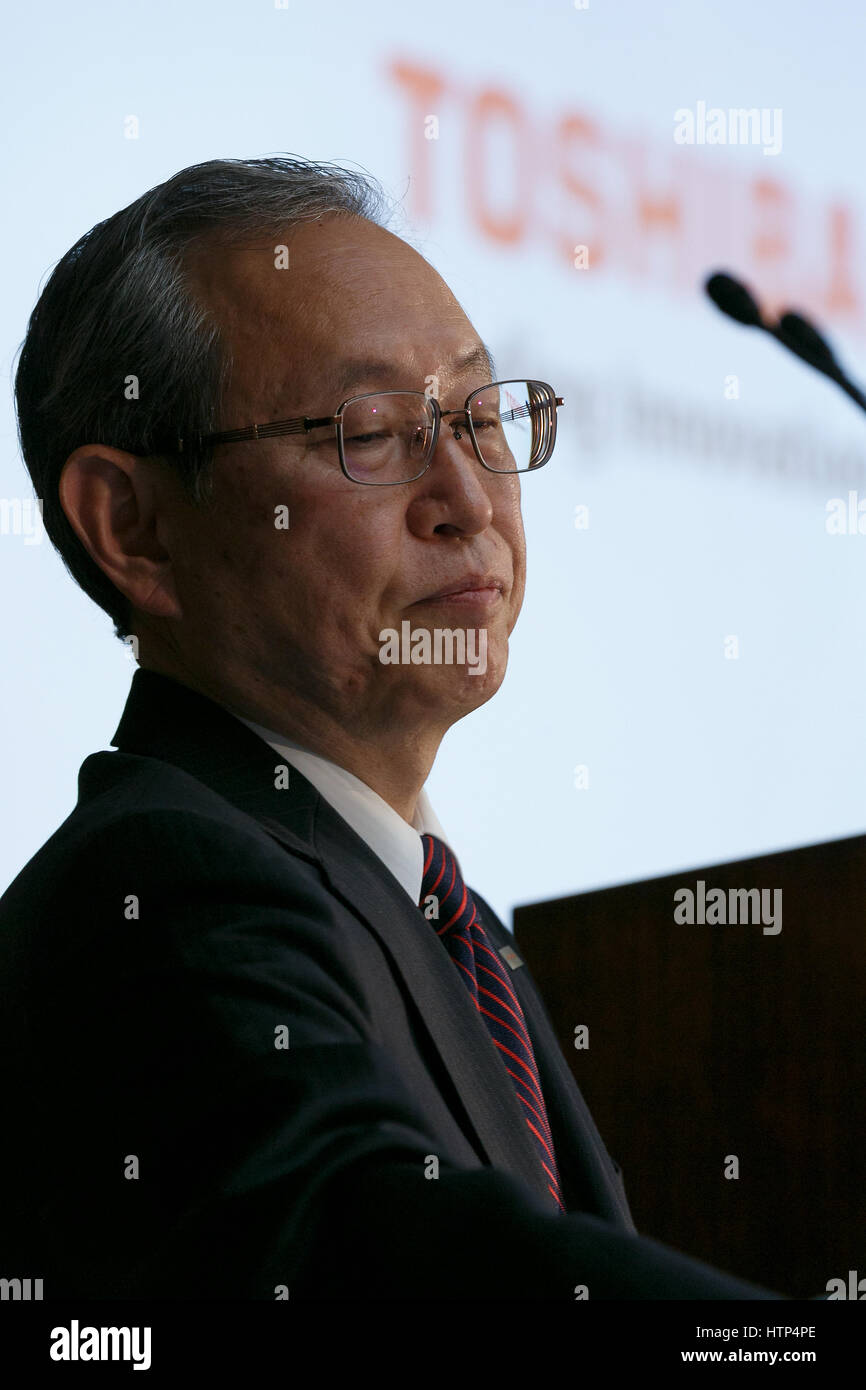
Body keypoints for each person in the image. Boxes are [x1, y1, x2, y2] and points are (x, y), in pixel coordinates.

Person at [0, 156, 784, 1299]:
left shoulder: (442, 919)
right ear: (136, 529)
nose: (468, 498)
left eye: (480, 415)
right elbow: (396, 1265)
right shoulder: (161, 881)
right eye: (368, 432)